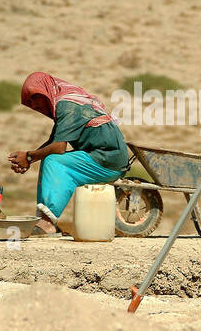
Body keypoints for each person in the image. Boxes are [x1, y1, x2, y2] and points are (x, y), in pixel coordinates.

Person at [8, 73, 129, 236]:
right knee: (50, 159)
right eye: (29, 103)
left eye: (35, 97)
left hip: (107, 160)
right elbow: (53, 143)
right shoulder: (67, 102)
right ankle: (44, 219)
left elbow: (58, 147)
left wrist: (29, 156)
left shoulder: (67, 105)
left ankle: (48, 223)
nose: (34, 105)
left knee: (54, 161)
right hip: (102, 157)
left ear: (45, 92)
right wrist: (29, 159)